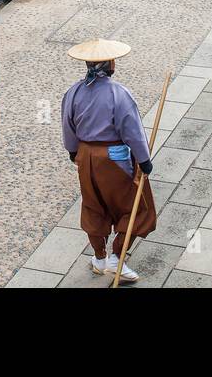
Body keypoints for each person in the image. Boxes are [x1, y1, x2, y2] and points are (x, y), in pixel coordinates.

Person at [61, 40, 156, 284]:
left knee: (94, 205)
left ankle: (99, 257)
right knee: (135, 204)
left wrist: (75, 152)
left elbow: (67, 126)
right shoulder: (118, 93)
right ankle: (116, 258)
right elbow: (132, 130)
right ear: (109, 64)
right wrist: (144, 159)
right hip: (113, 157)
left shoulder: (74, 91)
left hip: (85, 155)